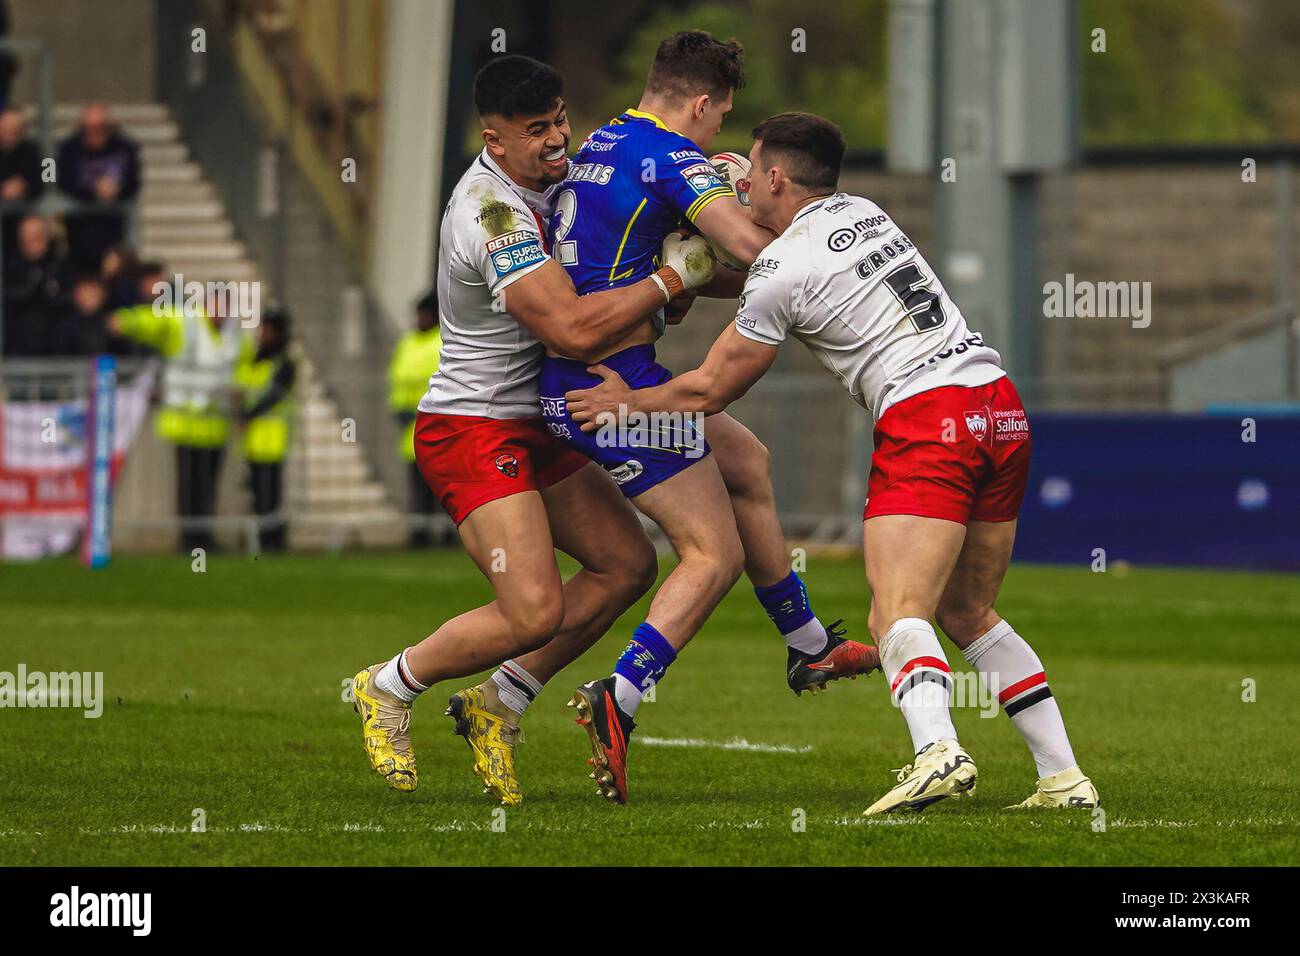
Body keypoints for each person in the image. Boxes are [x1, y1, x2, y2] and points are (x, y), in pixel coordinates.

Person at [565, 112, 1099, 814]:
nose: (743, 182)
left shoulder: (783, 269)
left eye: (752, 171)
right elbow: (778, 254)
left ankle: (938, 753)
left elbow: (713, 386)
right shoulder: (865, 212)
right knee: (969, 610)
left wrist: (626, 404)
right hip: (996, 409)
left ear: (778, 178)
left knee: (896, 612)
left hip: (929, 420)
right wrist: (720, 223)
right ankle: (1062, 777)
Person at [348, 55, 716, 806]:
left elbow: (634, 274)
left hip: (543, 416)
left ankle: (501, 699)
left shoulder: (569, 175)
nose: (556, 140)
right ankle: (386, 686)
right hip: (474, 427)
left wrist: (714, 215)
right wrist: (674, 279)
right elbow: (576, 330)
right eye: (536, 130)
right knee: (533, 609)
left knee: (625, 566)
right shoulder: (491, 211)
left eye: (560, 120)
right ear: (496, 138)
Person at [539, 32, 877, 804]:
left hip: (596, 370)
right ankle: (617, 701)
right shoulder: (676, 158)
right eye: (720, 121)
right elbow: (759, 253)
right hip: (609, 388)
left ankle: (807, 645)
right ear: (699, 104)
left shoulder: (607, 139)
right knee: (710, 557)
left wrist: (691, 263)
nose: (719, 137)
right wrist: (761, 201)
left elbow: (702, 271)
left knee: (747, 462)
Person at [110, 265, 248, 553]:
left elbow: (241, 370)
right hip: (185, 418)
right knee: (189, 482)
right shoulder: (186, 321)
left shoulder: (237, 333)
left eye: (225, 303)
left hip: (215, 420)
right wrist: (127, 321)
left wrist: (243, 401)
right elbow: (154, 321)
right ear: (207, 301)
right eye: (216, 301)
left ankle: (204, 535)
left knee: (209, 483)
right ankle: (190, 539)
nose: (220, 309)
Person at [387, 287, 445, 547]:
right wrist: (398, 409)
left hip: (435, 424)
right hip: (409, 428)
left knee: (440, 484)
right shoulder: (407, 341)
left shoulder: (441, 341)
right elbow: (396, 380)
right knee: (417, 485)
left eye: (423, 314)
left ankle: (445, 534)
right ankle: (419, 533)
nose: (419, 319)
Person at [236, 305, 296, 552]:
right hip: (253, 438)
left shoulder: (283, 362)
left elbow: (272, 395)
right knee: (258, 492)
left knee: (271, 493)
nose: (263, 333)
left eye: (268, 329)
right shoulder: (254, 359)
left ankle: (273, 539)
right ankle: (262, 538)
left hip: (272, 437)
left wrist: (248, 414)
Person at [56, 104, 141, 273]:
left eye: (100, 128)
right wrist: (91, 191)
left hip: (114, 230)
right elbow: (55, 180)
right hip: (78, 231)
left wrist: (118, 190)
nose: (95, 133)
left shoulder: (126, 148)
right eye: (89, 128)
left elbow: (134, 183)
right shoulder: (66, 148)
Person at [2, 215, 68, 356]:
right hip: (16, 347)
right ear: (21, 239)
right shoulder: (9, 267)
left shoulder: (60, 265)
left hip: (54, 347)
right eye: (30, 236)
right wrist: (32, 287)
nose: (36, 240)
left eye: (40, 235)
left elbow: (66, 299)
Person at [0, 109, 44, 256]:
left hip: (22, 218)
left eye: (15, 130)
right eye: (6, 130)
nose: (10, 134)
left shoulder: (33, 153)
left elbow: (47, 182)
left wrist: (25, 187)